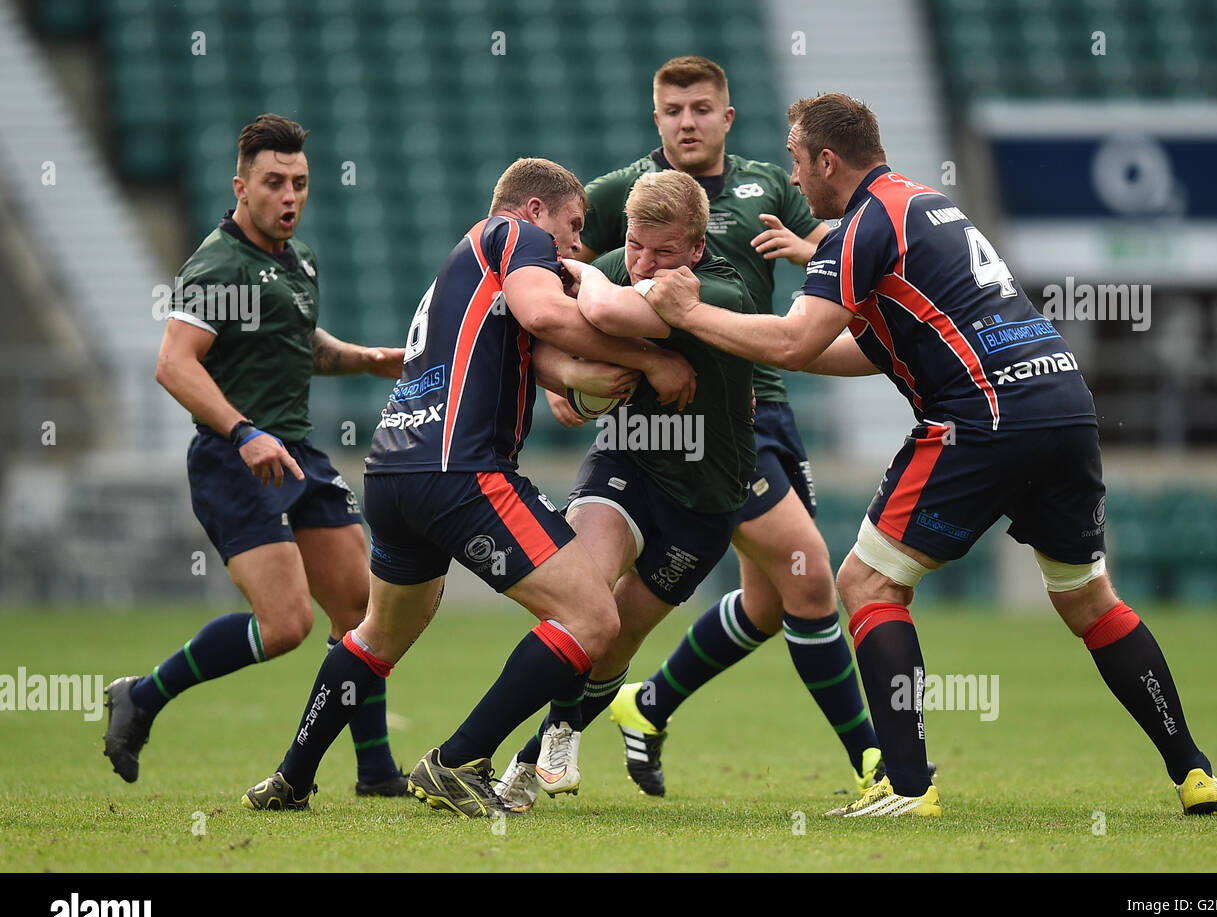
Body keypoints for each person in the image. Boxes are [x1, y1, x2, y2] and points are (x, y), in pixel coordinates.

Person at [644, 92, 1217, 818]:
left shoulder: (863, 225)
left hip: (984, 417)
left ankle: (909, 786)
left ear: (828, 160)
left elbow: (795, 339)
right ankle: (1195, 771)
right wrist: (767, 312)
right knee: (1087, 599)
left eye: (797, 159)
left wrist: (690, 315)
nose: (794, 177)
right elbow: (863, 347)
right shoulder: (920, 202)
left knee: (865, 582)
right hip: (1064, 403)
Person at [241, 157, 698, 815]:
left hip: (394, 468)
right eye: (572, 226)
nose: (573, 245)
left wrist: (571, 376)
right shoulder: (515, 237)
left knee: (376, 635)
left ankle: (290, 777)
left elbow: (522, 343)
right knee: (594, 615)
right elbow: (542, 313)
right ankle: (457, 760)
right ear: (535, 209)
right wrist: (652, 357)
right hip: (461, 470)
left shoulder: (466, 263)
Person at [553, 55, 883, 798]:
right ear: (656, 117)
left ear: (727, 117)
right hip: (691, 419)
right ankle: (873, 761)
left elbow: (852, 241)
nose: (688, 121)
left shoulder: (770, 185)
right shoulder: (621, 194)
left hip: (767, 402)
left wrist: (812, 248)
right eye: (673, 110)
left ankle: (647, 703)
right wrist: (560, 371)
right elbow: (546, 272)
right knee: (809, 573)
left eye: (702, 107)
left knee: (769, 602)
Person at [103, 114, 411, 797]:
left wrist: (363, 360)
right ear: (240, 186)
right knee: (286, 625)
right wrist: (244, 431)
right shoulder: (218, 263)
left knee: (363, 607)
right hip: (232, 459)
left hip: (294, 451)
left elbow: (298, 343)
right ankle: (143, 694)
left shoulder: (297, 259)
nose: (290, 196)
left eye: (300, 183)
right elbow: (173, 364)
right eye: (274, 183)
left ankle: (375, 769)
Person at [491, 170, 756, 810]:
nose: (643, 263)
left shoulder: (723, 291)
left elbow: (606, 309)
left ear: (695, 249)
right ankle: (542, 737)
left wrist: (590, 280)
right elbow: (533, 326)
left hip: (706, 496)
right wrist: (564, 383)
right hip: (626, 461)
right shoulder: (616, 264)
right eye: (635, 246)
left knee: (619, 641)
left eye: (663, 253)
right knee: (585, 604)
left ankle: (539, 748)